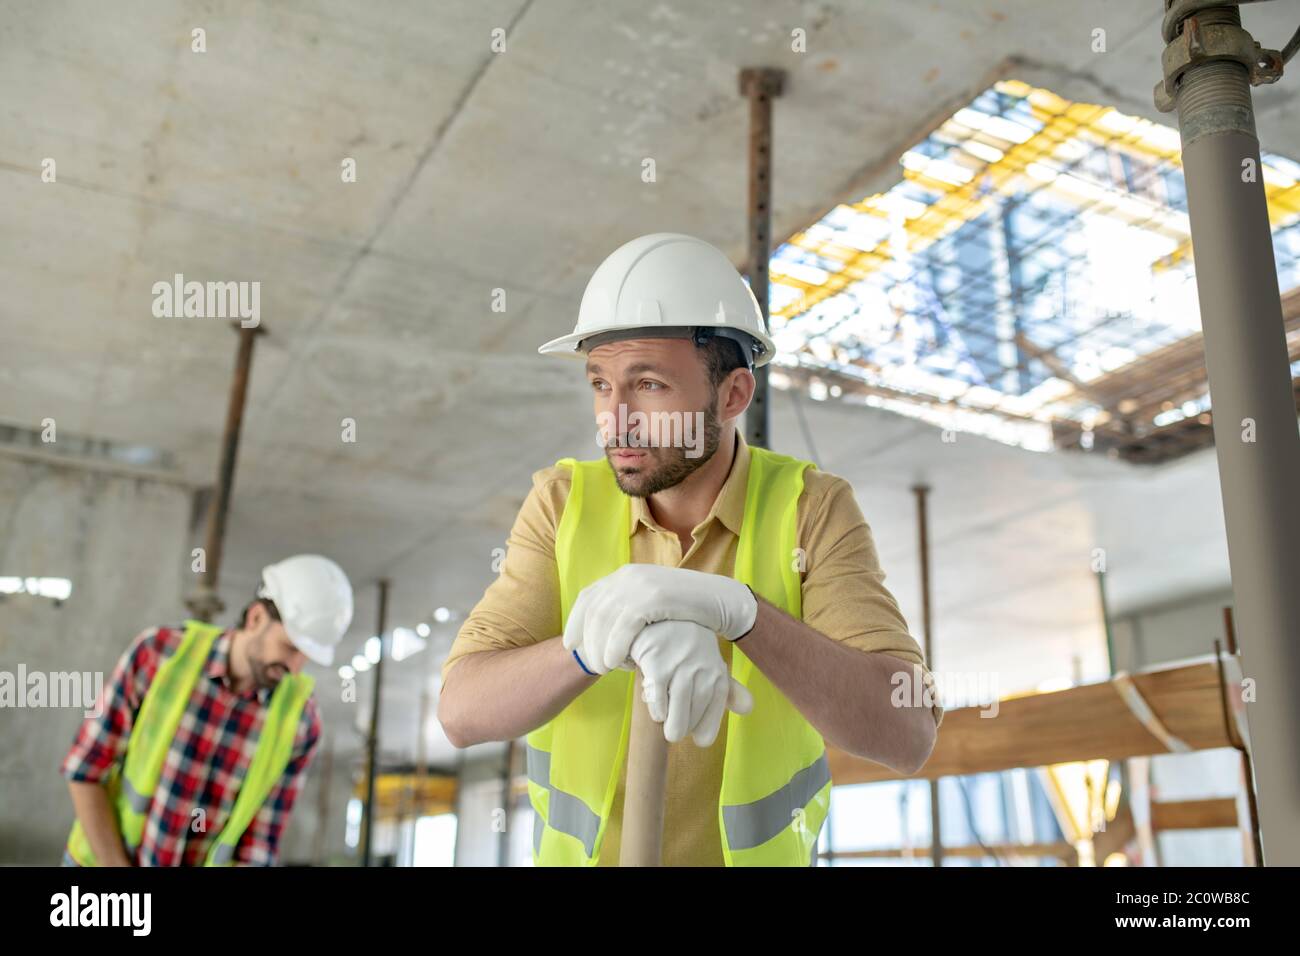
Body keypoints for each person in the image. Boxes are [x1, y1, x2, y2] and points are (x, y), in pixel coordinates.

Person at [439, 233, 943, 866]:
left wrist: (744, 614)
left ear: (733, 395)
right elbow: (461, 710)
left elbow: (907, 733)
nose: (614, 419)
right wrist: (589, 648)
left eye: (648, 385)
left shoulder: (809, 509)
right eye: (600, 384)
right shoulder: (562, 504)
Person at [61, 554, 353, 866]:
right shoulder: (159, 655)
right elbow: (86, 770)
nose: (295, 667)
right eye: (290, 647)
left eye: (305, 656)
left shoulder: (301, 722)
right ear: (256, 618)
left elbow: (259, 844)